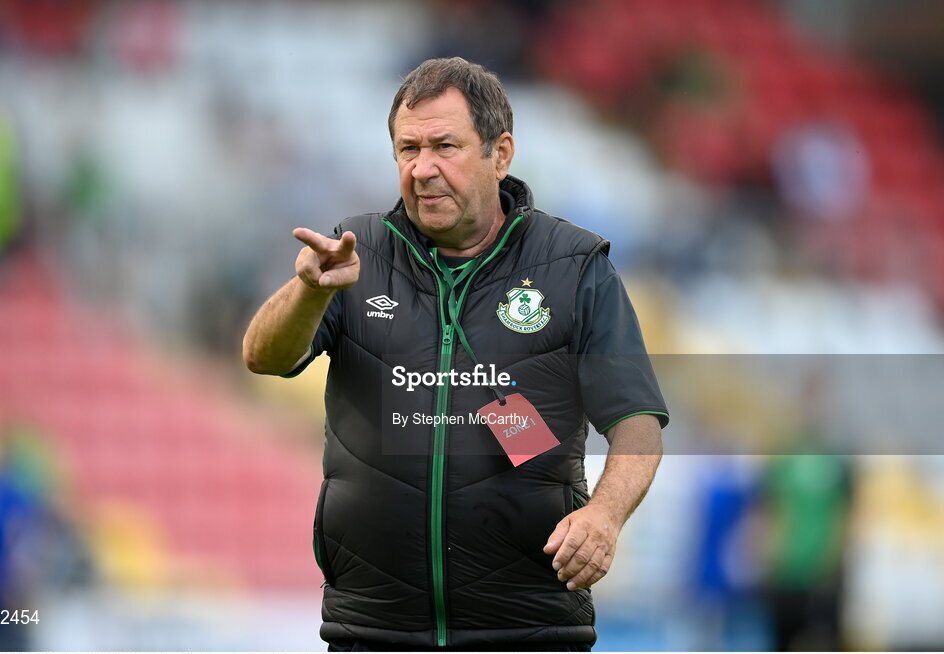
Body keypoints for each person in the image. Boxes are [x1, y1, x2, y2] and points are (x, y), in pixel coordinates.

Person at [243, 57, 669, 651]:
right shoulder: (354, 254)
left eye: (445, 146)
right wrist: (307, 293)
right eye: (407, 149)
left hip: (529, 626)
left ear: (501, 153)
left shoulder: (574, 266)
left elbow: (638, 425)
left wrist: (603, 517)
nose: (423, 169)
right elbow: (263, 357)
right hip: (371, 628)